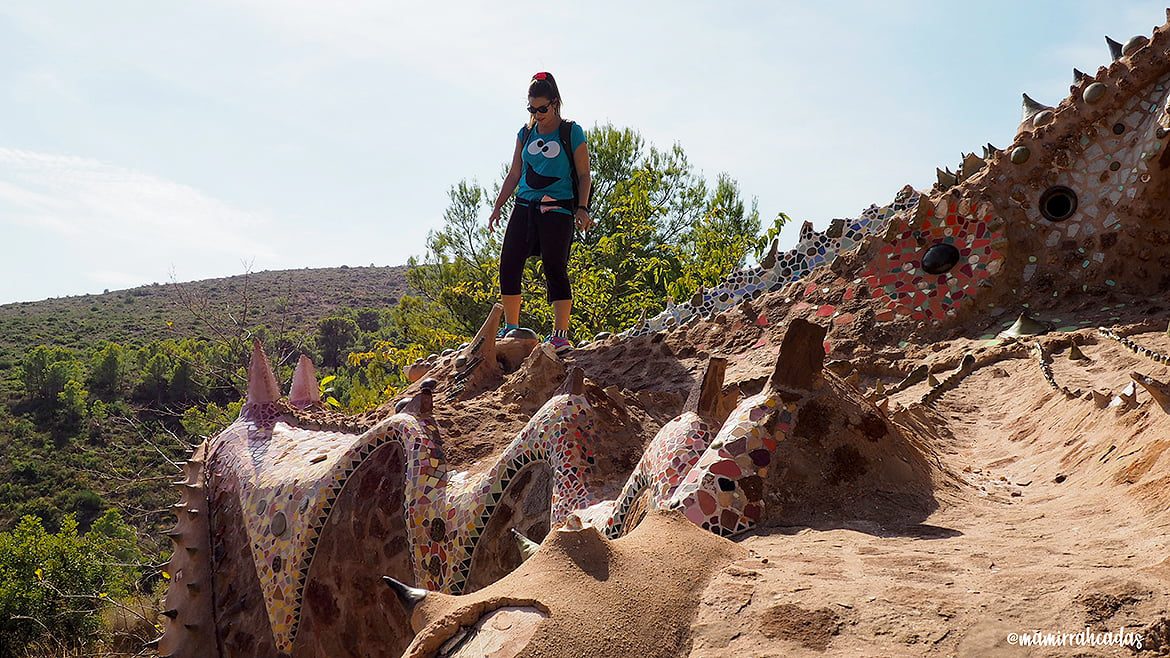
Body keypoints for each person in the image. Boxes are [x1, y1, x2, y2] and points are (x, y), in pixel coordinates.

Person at [488, 71, 592, 354]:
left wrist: (582, 208)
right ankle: (512, 329)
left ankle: (560, 334)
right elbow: (514, 174)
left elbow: (584, 175)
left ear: (555, 103)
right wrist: (498, 207)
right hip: (524, 206)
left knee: (554, 268)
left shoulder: (571, 132)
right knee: (508, 263)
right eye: (532, 108)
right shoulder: (525, 132)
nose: (537, 114)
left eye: (542, 108)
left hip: (557, 209)